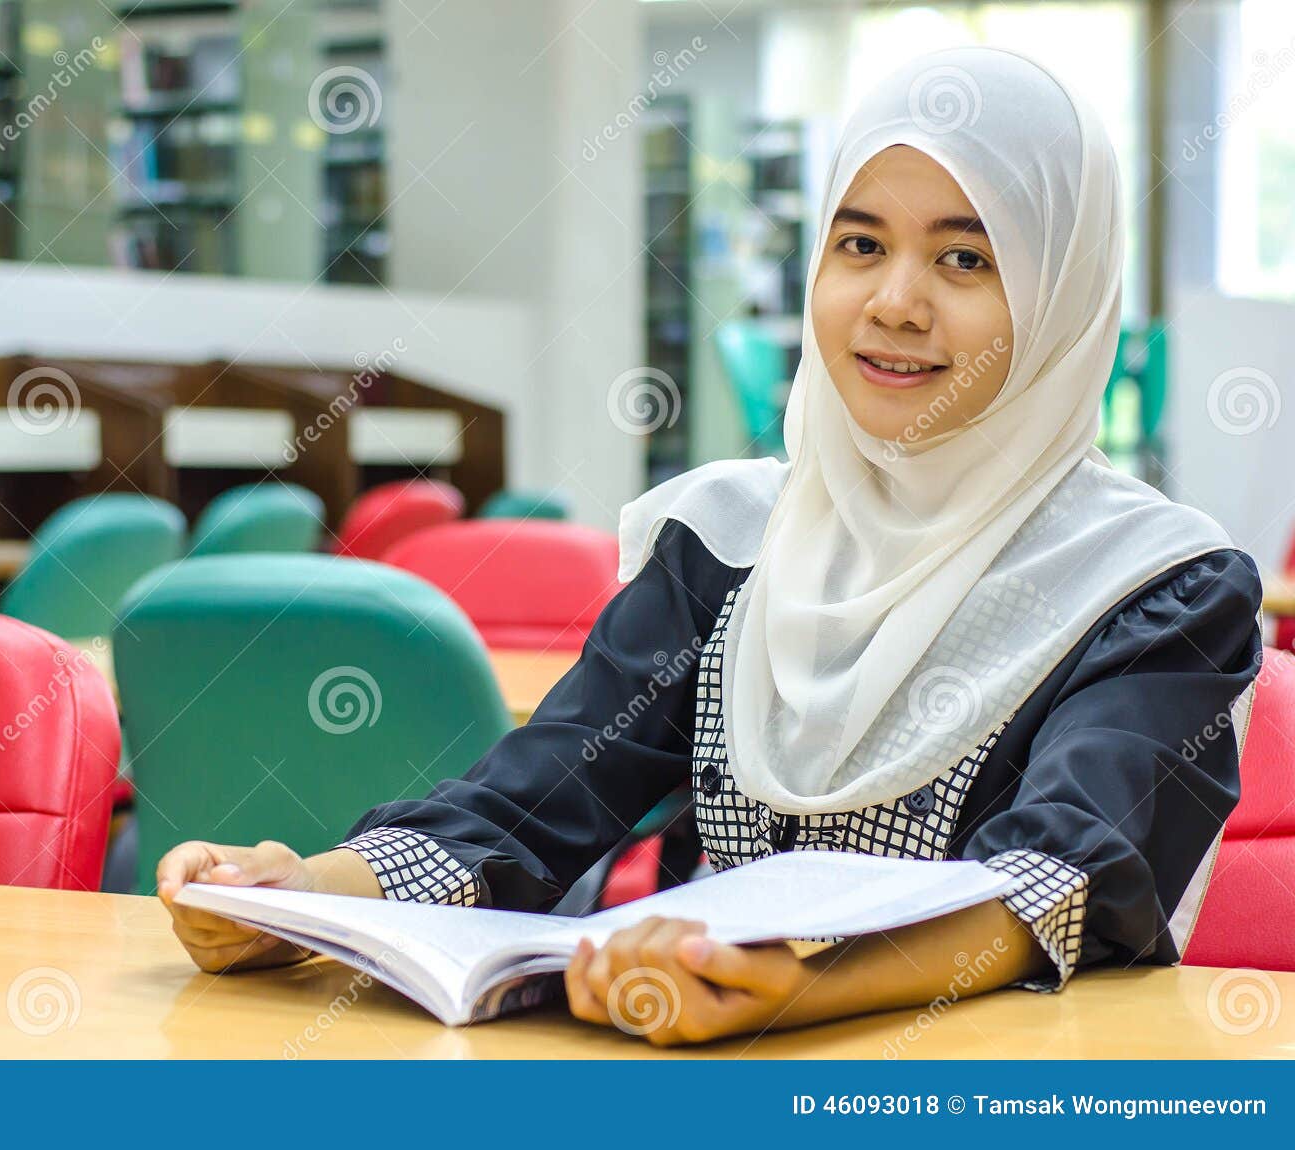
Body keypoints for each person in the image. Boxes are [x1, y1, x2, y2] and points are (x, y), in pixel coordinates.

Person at [157, 46, 1262, 1047]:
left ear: (1062, 295)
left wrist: (795, 983)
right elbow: (531, 804)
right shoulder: (728, 540)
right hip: (694, 1059)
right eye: (859, 243)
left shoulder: (1156, 585)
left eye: (965, 262)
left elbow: (1057, 882)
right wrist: (301, 898)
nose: (893, 303)